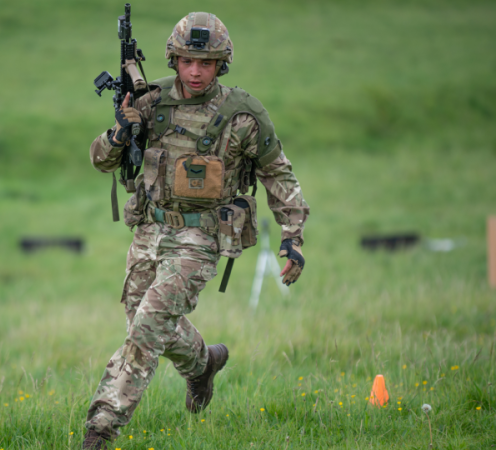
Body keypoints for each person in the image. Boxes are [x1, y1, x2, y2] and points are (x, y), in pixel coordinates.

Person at [83, 11, 310, 449]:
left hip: (202, 237)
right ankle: (203, 364)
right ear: (174, 59)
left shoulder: (243, 115)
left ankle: (102, 427)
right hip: (150, 229)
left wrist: (292, 238)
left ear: (221, 63)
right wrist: (120, 133)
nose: (195, 71)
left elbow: (278, 174)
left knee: (149, 324)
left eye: (206, 63)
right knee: (141, 317)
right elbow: (99, 159)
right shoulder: (150, 103)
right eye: (187, 60)